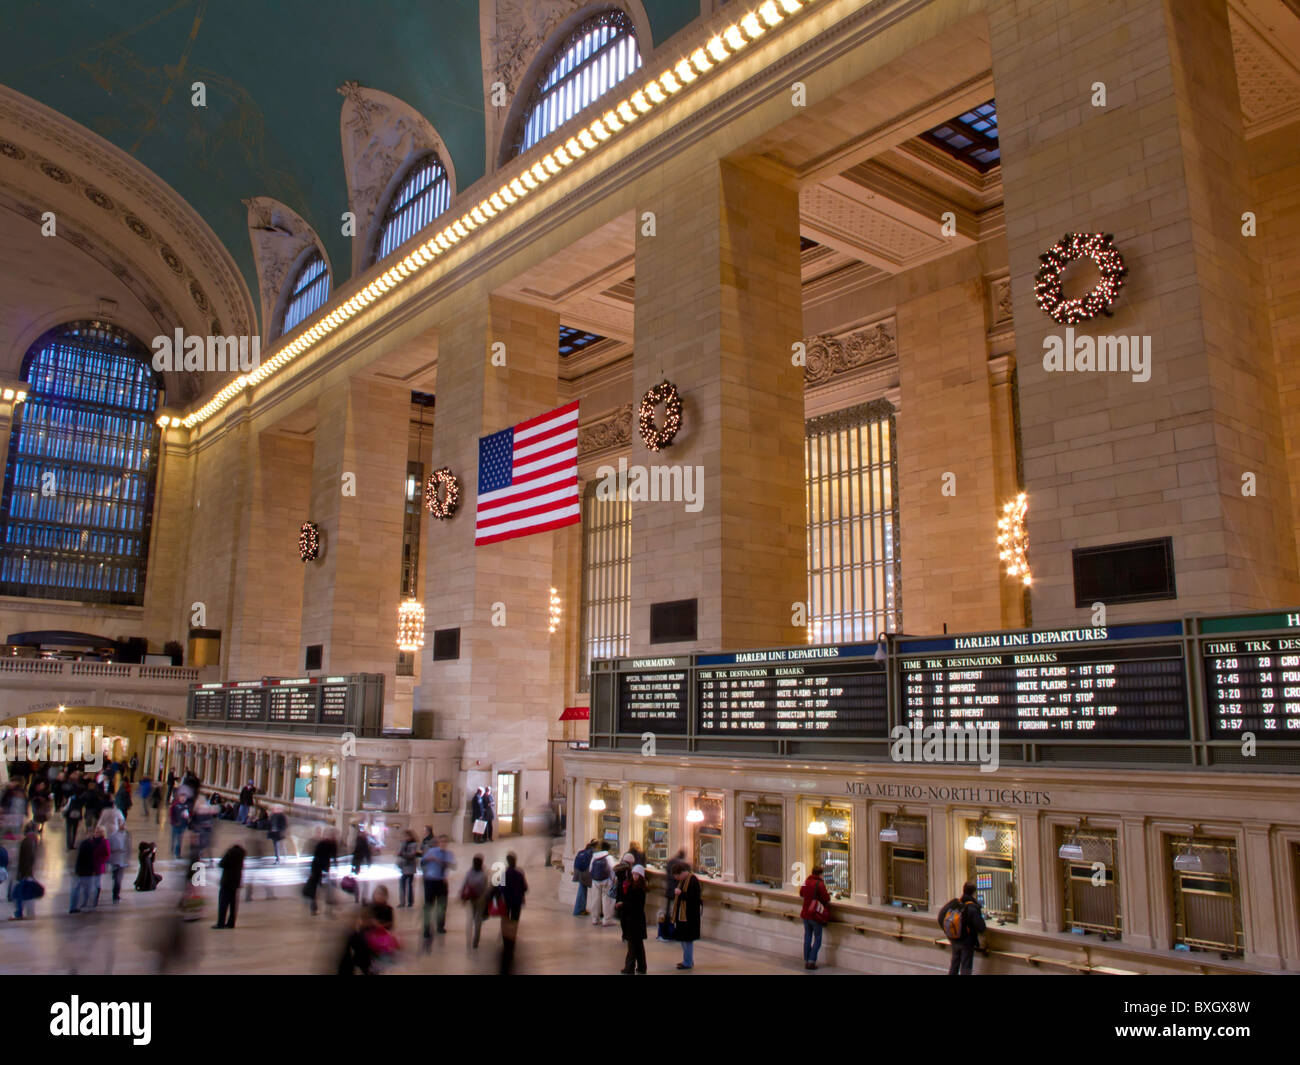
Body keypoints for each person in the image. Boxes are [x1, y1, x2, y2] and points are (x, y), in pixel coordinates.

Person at [940, 881, 987, 976]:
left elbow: (941, 917)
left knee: (955, 963)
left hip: (954, 939)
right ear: (974, 893)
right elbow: (981, 927)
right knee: (966, 965)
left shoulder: (954, 903)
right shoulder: (972, 908)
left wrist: (949, 933)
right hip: (967, 941)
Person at [420, 834, 455, 943]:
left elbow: (452, 866)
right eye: (441, 841)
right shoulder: (432, 851)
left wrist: (439, 861)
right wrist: (429, 859)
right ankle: (426, 929)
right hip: (430, 881)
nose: (443, 844)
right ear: (438, 842)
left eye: (445, 841)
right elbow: (422, 862)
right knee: (428, 906)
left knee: (442, 906)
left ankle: (440, 926)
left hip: (441, 882)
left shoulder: (449, 854)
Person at [499, 852, 527, 975]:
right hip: (517, 902)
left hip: (506, 902)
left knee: (505, 921)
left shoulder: (504, 874)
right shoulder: (519, 874)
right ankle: (512, 939)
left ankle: (506, 940)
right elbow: (525, 888)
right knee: (515, 921)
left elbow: (500, 888)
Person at [799, 865, 832, 969]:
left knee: (807, 937)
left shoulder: (806, 881)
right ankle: (812, 961)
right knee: (818, 938)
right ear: (820, 874)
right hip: (815, 915)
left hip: (805, 914)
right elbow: (826, 898)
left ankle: (806, 959)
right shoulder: (820, 884)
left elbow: (801, 893)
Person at [618, 863, 648, 974]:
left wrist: (622, 904)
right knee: (638, 946)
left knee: (632, 946)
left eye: (637, 874)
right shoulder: (633, 886)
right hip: (635, 920)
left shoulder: (639, 889)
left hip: (635, 920)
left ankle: (629, 968)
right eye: (634, 874)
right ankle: (641, 967)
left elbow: (634, 905)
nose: (635, 876)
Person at [672, 863, 702, 970]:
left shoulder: (693, 880)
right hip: (682, 916)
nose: (677, 879)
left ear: (681, 873)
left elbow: (694, 898)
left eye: (677, 876)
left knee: (687, 940)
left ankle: (688, 962)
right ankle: (687, 960)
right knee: (683, 939)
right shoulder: (683, 881)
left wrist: (681, 894)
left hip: (690, 917)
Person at [459, 853, 489, 950]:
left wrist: (462, 897)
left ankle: (468, 939)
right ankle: (475, 942)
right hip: (480, 899)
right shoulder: (483, 874)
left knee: (470, 919)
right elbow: (485, 887)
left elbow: (464, 884)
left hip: (470, 899)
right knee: (478, 921)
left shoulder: (469, 872)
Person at [305, 829, 338, 917]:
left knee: (318, 889)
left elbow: (316, 856)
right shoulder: (330, 844)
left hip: (318, 868)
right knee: (325, 889)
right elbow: (332, 857)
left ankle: (316, 908)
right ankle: (324, 909)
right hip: (321, 869)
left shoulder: (323, 843)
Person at [214, 843, 246, 929]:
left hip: (226, 881)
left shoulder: (229, 853)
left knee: (223, 903)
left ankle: (221, 923)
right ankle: (231, 923)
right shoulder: (241, 855)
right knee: (233, 904)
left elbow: (221, 864)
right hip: (235, 882)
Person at [10, 822, 37, 920]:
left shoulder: (26, 842)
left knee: (19, 894)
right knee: (26, 894)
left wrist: (22, 874)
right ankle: (29, 913)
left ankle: (19, 913)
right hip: (28, 873)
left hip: (25, 873)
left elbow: (26, 859)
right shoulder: (32, 841)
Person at [588, 842, 618, 927]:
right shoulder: (609, 857)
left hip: (595, 881)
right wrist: (613, 880)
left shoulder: (594, 856)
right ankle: (607, 919)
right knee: (607, 900)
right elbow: (613, 869)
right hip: (606, 881)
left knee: (595, 899)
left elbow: (590, 869)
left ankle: (595, 919)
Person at [661, 848, 687, 939]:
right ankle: (674, 932)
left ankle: (665, 932)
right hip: (676, 891)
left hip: (669, 890)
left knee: (668, 912)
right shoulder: (683, 865)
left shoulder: (670, 861)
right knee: (677, 913)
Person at [571, 838, 596, 917]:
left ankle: (581, 909)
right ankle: (578, 910)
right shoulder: (592, 852)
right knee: (582, 891)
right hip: (585, 873)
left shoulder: (583, 851)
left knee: (582, 890)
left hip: (579, 872)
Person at [396, 830, 419, 908]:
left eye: (407, 836)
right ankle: (403, 902)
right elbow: (400, 852)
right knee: (403, 884)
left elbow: (412, 855)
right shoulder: (403, 844)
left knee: (409, 885)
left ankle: (410, 902)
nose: (405, 838)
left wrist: (402, 854)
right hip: (404, 867)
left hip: (410, 867)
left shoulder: (414, 844)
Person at [350, 823, 372, 903]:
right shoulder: (362, 842)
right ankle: (361, 898)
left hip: (359, 863)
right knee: (361, 882)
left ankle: (359, 898)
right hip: (360, 863)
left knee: (360, 882)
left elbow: (356, 853)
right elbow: (366, 853)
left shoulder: (360, 841)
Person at [108, 825, 131, 903]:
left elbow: (128, 848)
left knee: (118, 878)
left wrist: (127, 860)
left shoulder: (127, 835)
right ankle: (115, 895)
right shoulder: (113, 836)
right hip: (116, 860)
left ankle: (116, 894)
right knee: (117, 879)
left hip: (121, 860)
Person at [63, 787, 85, 851]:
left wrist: (63, 810)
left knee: (68, 830)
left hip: (70, 816)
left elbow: (67, 807)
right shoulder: (81, 799)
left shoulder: (71, 798)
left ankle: (68, 845)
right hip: (77, 816)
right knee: (74, 831)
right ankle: (72, 844)